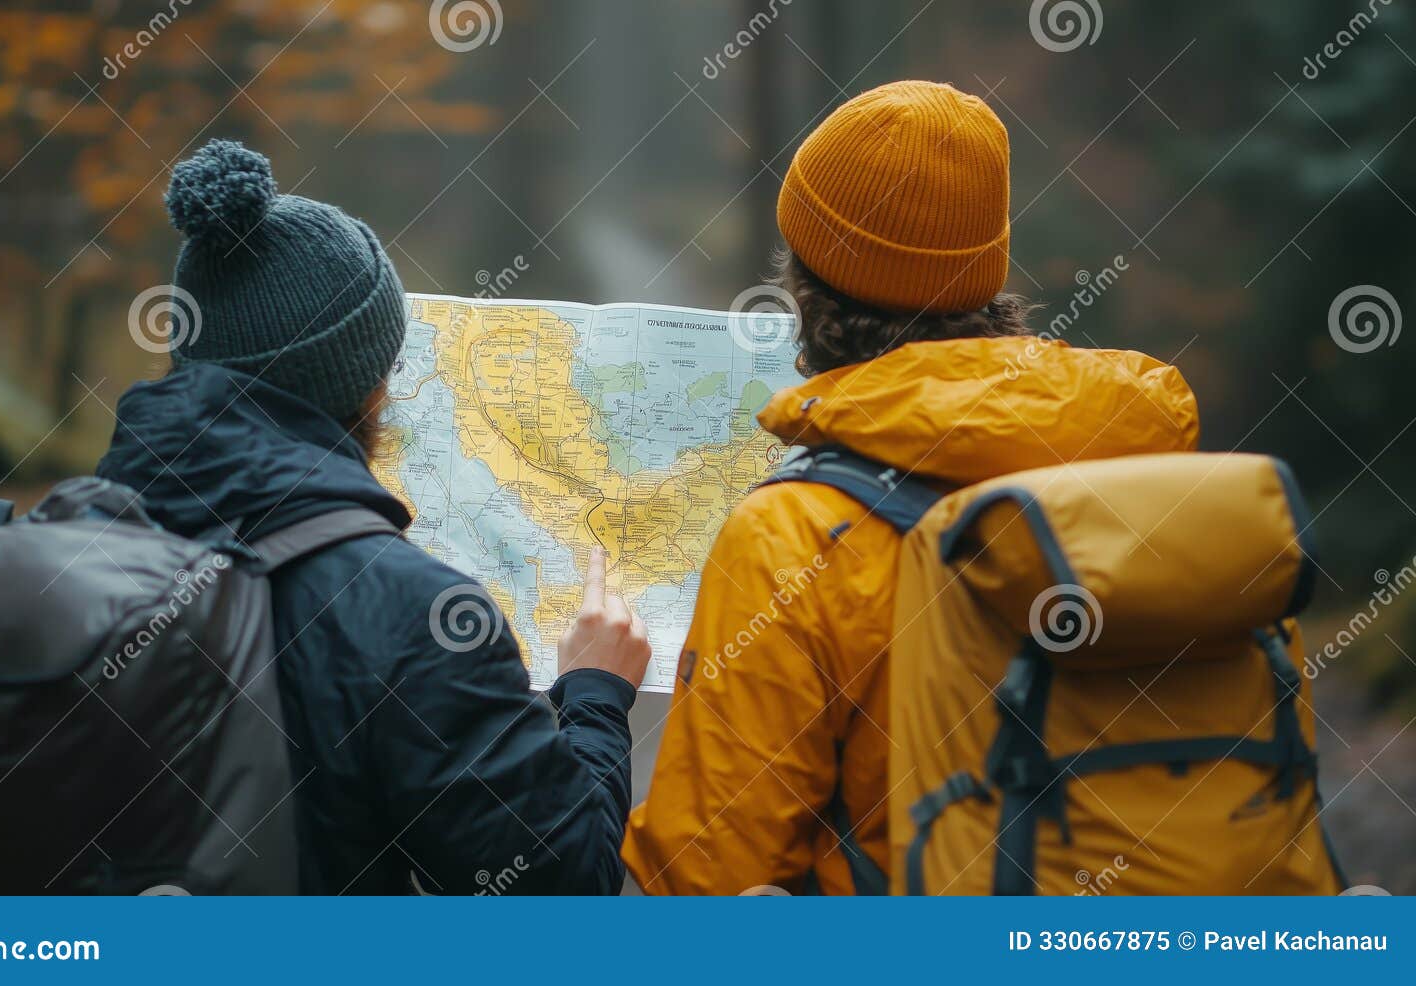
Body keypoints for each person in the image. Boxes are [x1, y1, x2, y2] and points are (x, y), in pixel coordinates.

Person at [623, 81, 1202, 893]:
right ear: (986, 276)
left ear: (805, 279)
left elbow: (705, 872)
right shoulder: (1153, 471)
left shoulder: (794, 534)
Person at [96, 139, 650, 894]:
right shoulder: (405, 615)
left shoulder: (71, 548)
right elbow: (562, 883)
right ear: (369, 385)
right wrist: (594, 695)